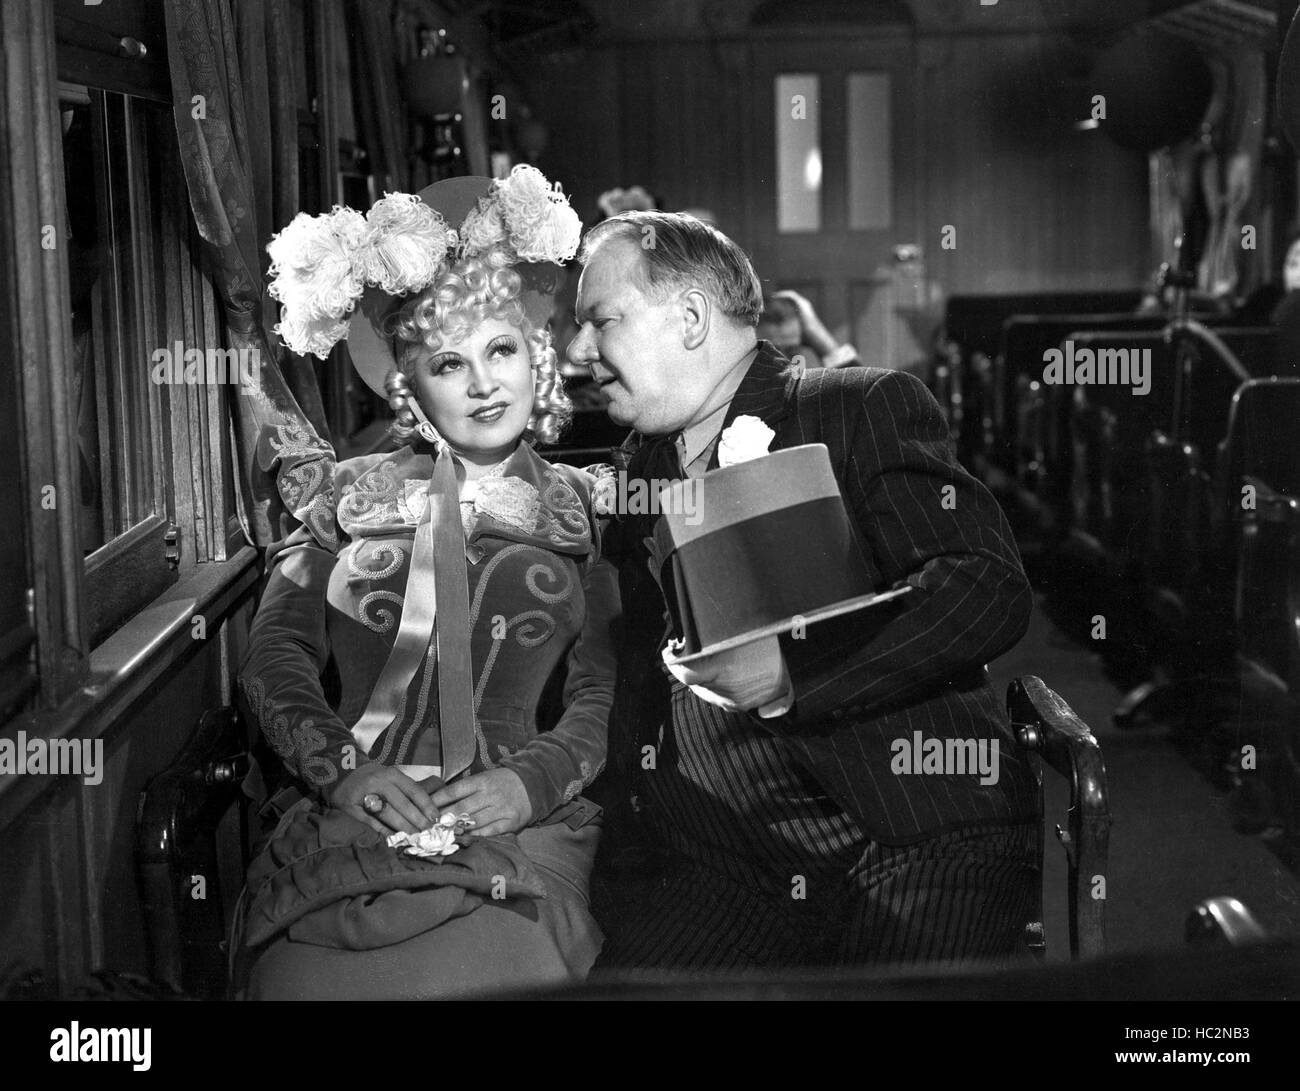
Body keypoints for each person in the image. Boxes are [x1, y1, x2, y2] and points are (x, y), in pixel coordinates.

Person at [568, 211, 1039, 971]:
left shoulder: (858, 406)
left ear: (690, 317)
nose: (577, 350)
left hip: (908, 834)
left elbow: (983, 585)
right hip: (720, 862)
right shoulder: (634, 472)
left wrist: (794, 670)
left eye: (601, 321)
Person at [232, 167, 619, 999]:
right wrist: (344, 771)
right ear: (410, 386)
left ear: (534, 356)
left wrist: (530, 782)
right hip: (354, 813)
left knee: (501, 965)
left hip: (516, 821)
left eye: (501, 349)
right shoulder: (342, 497)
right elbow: (274, 656)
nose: (484, 383)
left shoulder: (587, 508)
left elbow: (603, 689)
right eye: (450, 362)